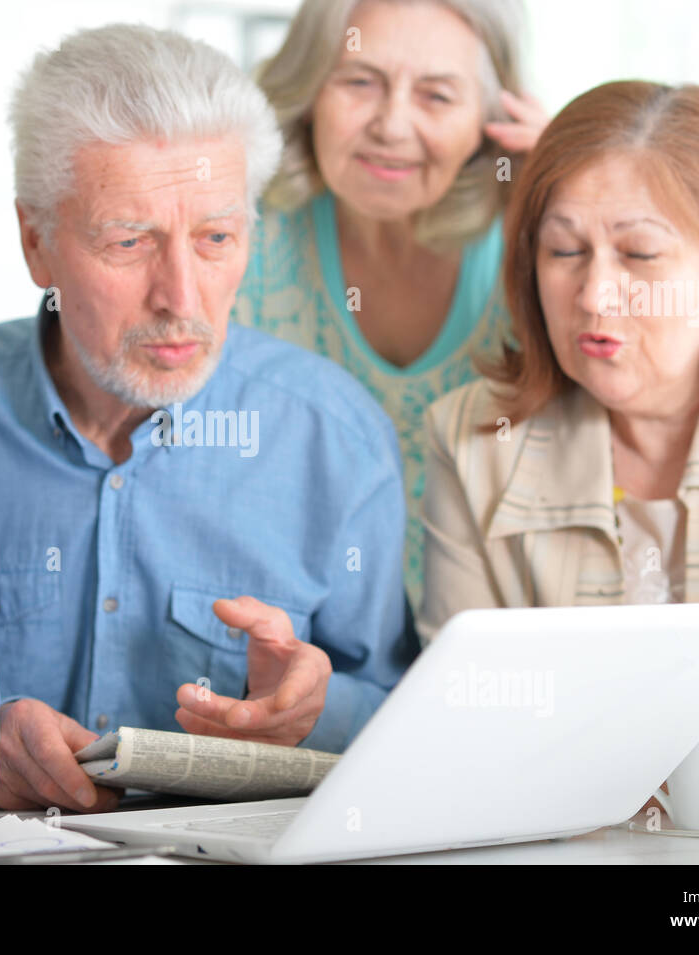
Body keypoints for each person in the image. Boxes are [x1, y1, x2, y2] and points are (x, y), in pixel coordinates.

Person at [0, 24, 415, 813]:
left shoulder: (334, 439)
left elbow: (407, 716)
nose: (180, 296)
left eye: (215, 238)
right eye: (129, 240)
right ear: (37, 243)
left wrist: (316, 709)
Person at [420, 80, 699, 819]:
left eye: (640, 253)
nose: (593, 295)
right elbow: (468, 726)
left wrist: (587, 733)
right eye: (563, 250)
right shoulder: (469, 436)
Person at [231, 0, 546, 612]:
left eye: (436, 96)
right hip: (292, 628)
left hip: (496, 639)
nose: (392, 126)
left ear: (492, 117)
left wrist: (579, 183)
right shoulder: (240, 233)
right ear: (309, 90)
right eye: (359, 82)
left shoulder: (545, 242)